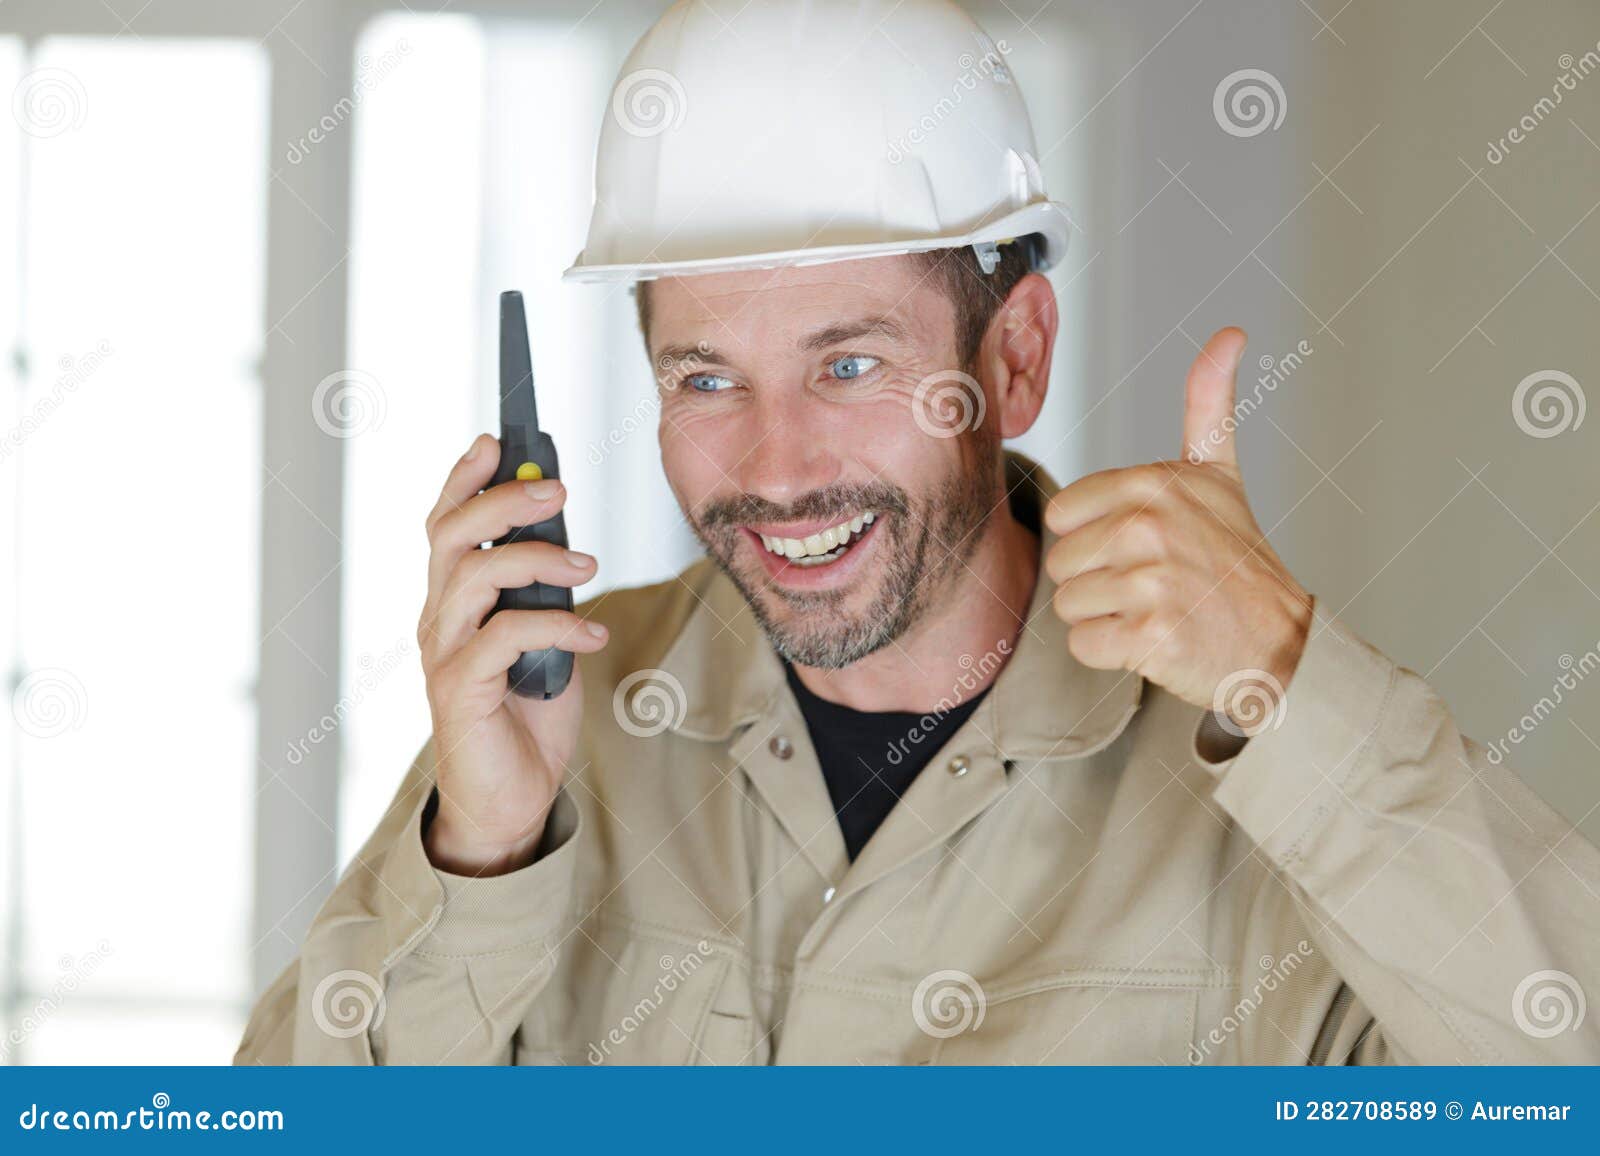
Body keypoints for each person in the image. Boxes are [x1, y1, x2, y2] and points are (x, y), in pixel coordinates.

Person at [236, 0, 1600, 1064]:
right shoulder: (557, 728)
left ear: (1014, 360)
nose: (776, 469)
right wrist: (481, 855)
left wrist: (1294, 686)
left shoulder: (1254, 783)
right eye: (706, 379)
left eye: (850, 366)